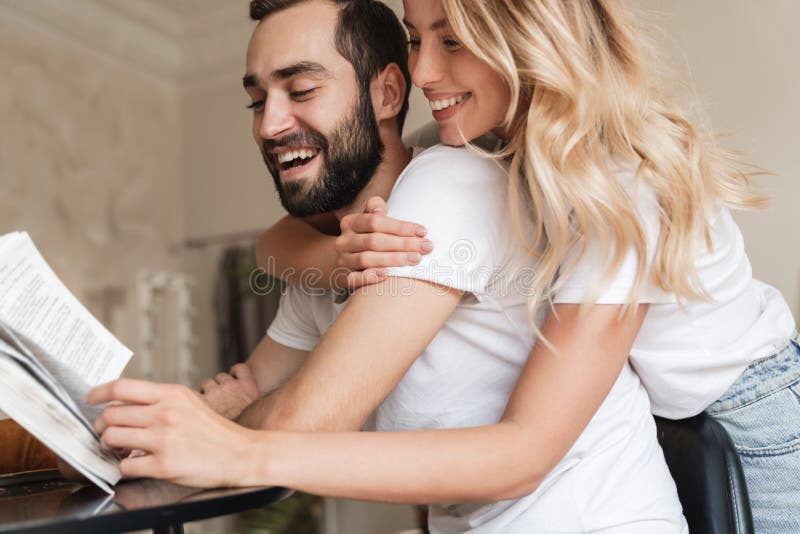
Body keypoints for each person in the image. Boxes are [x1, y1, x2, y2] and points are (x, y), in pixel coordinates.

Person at [89, 1, 689, 533]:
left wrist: (215, 430)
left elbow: (301, 421)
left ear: (387, 94)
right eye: (256, 99)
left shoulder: (445, 183)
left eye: (300, 91)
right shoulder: (333, 245)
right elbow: (254, 388)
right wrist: (184, 426)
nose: (269, 125)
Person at [256, 0, 800, 532]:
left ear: (525, 36)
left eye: (451, 40)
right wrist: (341, 256)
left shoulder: (621, 185)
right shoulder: (471, 143)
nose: (422, 71)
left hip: (753, 415)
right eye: (416, 38)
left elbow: (528, 446)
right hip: (669, 415)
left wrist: (251, 454)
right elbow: (273, 243)